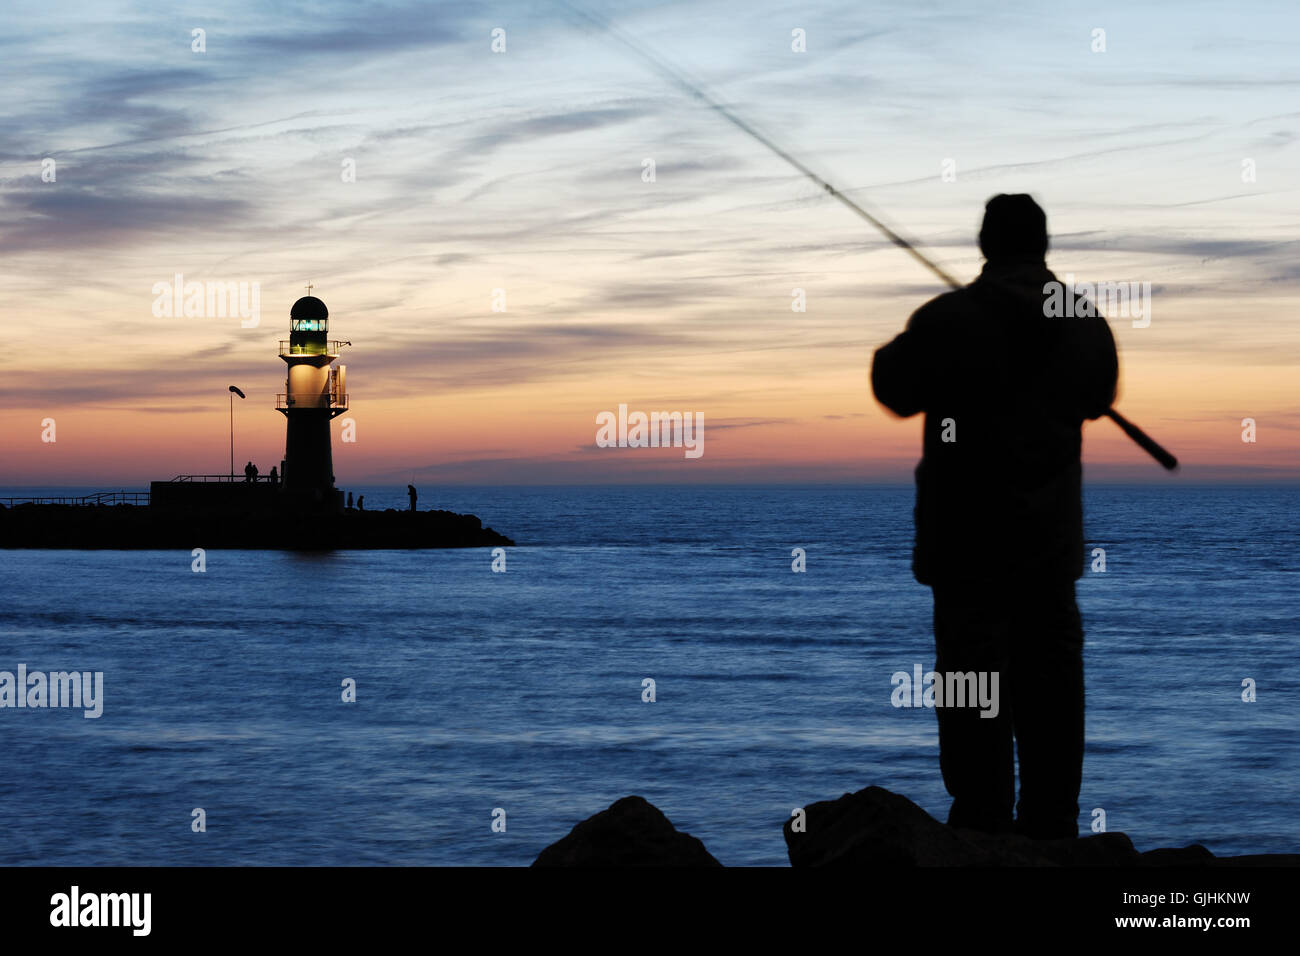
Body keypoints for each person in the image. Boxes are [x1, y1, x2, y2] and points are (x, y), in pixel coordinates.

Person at [870, 194, 1118, 839]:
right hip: (1049, 548)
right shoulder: (1083, 322)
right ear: (1043, 244)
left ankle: (979, 832)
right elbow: (1100, 393)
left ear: (985, 244)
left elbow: (891, 386)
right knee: (1052, 692)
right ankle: (1053, 832)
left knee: (970, 690)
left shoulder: (948, 318)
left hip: (966, 549)